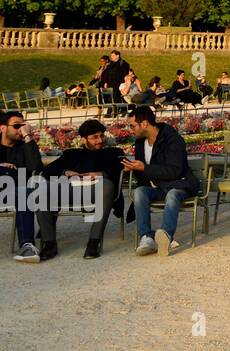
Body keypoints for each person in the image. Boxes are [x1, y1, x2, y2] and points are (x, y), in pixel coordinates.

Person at [36, 118, 126, 259]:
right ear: (84, 140)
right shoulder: (72, 154)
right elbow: (47, 170)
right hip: (72, 191)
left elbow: (119, 168)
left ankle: (93, 242)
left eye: (101, 135)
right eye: (94, 137)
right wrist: (65, 172)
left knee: (107, 185)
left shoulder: (113, 152)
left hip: (98, 191)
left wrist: (100, 174)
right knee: (42, 189)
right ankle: (49, 244)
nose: (100, 140)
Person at [120, 106, 201, 257]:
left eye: (132, 125)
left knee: (172, 195)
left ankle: (166, 236)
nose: (130, 129)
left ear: (144, 124)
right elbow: (144, 175)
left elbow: (174, 171)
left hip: (179, 183)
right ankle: (147, 238)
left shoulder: (173, 140)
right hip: (157, 187)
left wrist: (144, 167)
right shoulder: (140, 143)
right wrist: (133, 169)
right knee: (139, 192)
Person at [3, 111, 45, 262]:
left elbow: (36, 167)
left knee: (24, 192)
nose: (20, 129)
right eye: (16, 126)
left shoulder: (25, 147)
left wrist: (28, 137)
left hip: (14, 192)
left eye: (23, 125)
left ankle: (27, 246)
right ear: (2, 128)